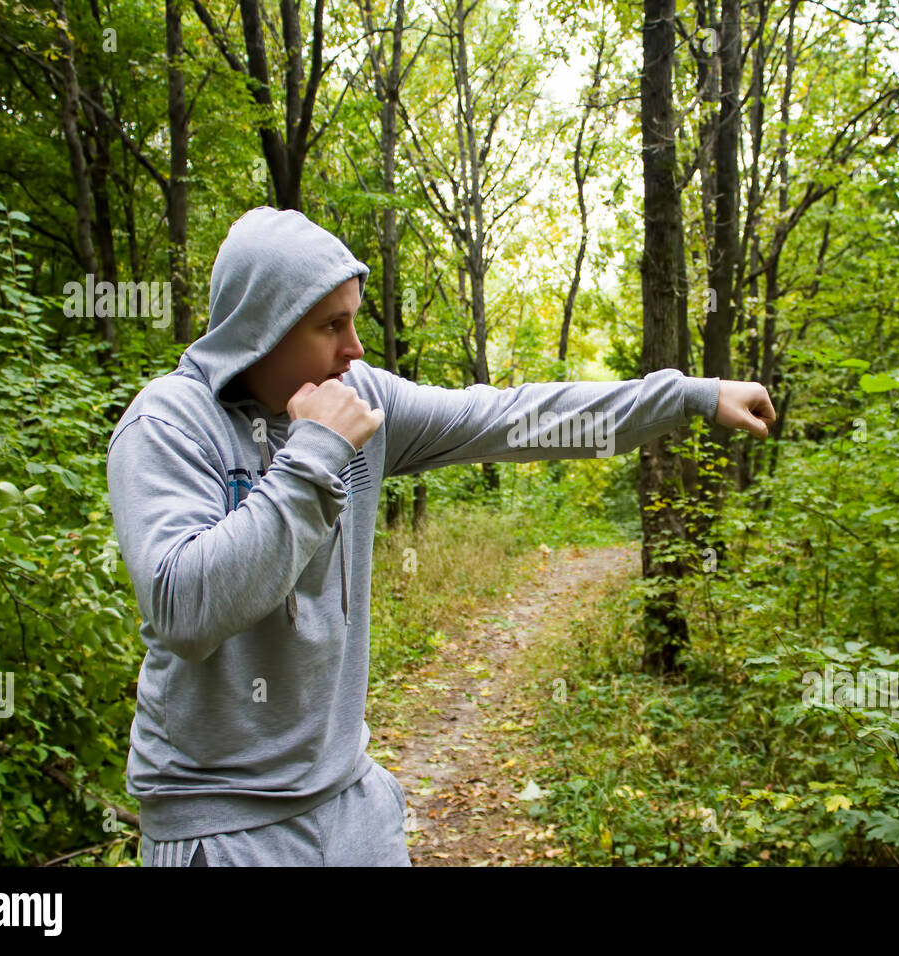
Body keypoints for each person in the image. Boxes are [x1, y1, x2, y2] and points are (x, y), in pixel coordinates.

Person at [106, 206, 776, 866]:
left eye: (355, 320)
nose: (355, 348)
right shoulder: (170, 424)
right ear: (264, 327)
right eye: (331, 325)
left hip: (346, 798)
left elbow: (513, 417)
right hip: (223, 823)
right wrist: (313, 455)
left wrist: (687, 394)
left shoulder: (363, 397)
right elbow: (184, 609)